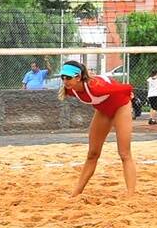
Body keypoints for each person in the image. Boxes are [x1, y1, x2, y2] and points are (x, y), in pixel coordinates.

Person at [58, 60, 136, 196]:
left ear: (78, 77)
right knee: (92, 153)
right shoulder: (70, 90)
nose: (65, 81)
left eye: (68, 77)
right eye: (63, 77)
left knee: (124, 153)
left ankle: (131, 195)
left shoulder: (95, 87)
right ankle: (75, 194)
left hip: (121, 106)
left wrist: (130, 93)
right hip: (103, 110)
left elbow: (127, 87)